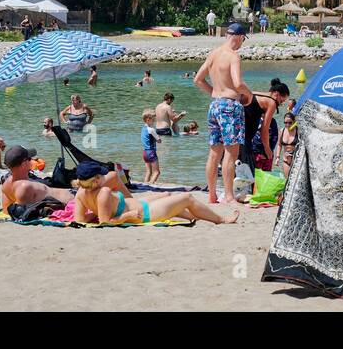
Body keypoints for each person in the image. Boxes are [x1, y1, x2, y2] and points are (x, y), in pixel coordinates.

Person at [193, 21, 252, 204]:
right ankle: (228, 195)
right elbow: (238, 83)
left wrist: (215, 93)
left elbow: (197, 80)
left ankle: (212, 195)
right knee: (230, 152)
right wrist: (249, 95)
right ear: (240, 37)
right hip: (230, 107)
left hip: (215, 105)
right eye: (243, 39)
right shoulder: (233, 56)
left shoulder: (214, 53)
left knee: (214, 152)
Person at [72, 161, 237, 225]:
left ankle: (193, 216)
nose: (104, 177)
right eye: (102, 175)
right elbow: (106, 223)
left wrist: (97, 214)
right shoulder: (104, 192)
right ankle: (221, 220)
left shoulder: (80, 193)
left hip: (140, 206)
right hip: (143, 213)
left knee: (167, 195)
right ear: (96, 180)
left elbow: (80, 220)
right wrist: (126, 217)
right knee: (187, 197)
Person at [0, 145, 73, 212]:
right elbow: (23, 213)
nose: (32, 161)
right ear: (23, 164)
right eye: (29, 159)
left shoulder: (6, 184)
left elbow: (6, 210)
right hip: (69, 200)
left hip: (68, 195)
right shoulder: (24, 187)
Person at [243, 79, 289, 173]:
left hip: (239, 134)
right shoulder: (271, 102)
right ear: (276, 94)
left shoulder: (255, 93)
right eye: (282, 100)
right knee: (250, 175)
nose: (281, 103)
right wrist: (267, 149)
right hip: (245, 139)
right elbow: (264, 130)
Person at [275, 112, 299, 178]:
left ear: (294, 121)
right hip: (285, 160)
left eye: (290, 122)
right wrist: (277, 158)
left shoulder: (298, 131)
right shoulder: (282, 131)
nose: (287, 125)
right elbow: (279, 145)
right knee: (287, 182)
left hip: (296, 160)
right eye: (285, 123)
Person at [140, 110, 161, 184]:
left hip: (145, 152)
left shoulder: (143, 129)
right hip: (151, 152)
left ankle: (145, 184)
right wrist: (158, 138)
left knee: (148, 172)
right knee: (157, 172)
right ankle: (151, 184)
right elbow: (159, 140)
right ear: (148, 119)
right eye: (153, 120)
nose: (154, 122)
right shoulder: (151, 129)